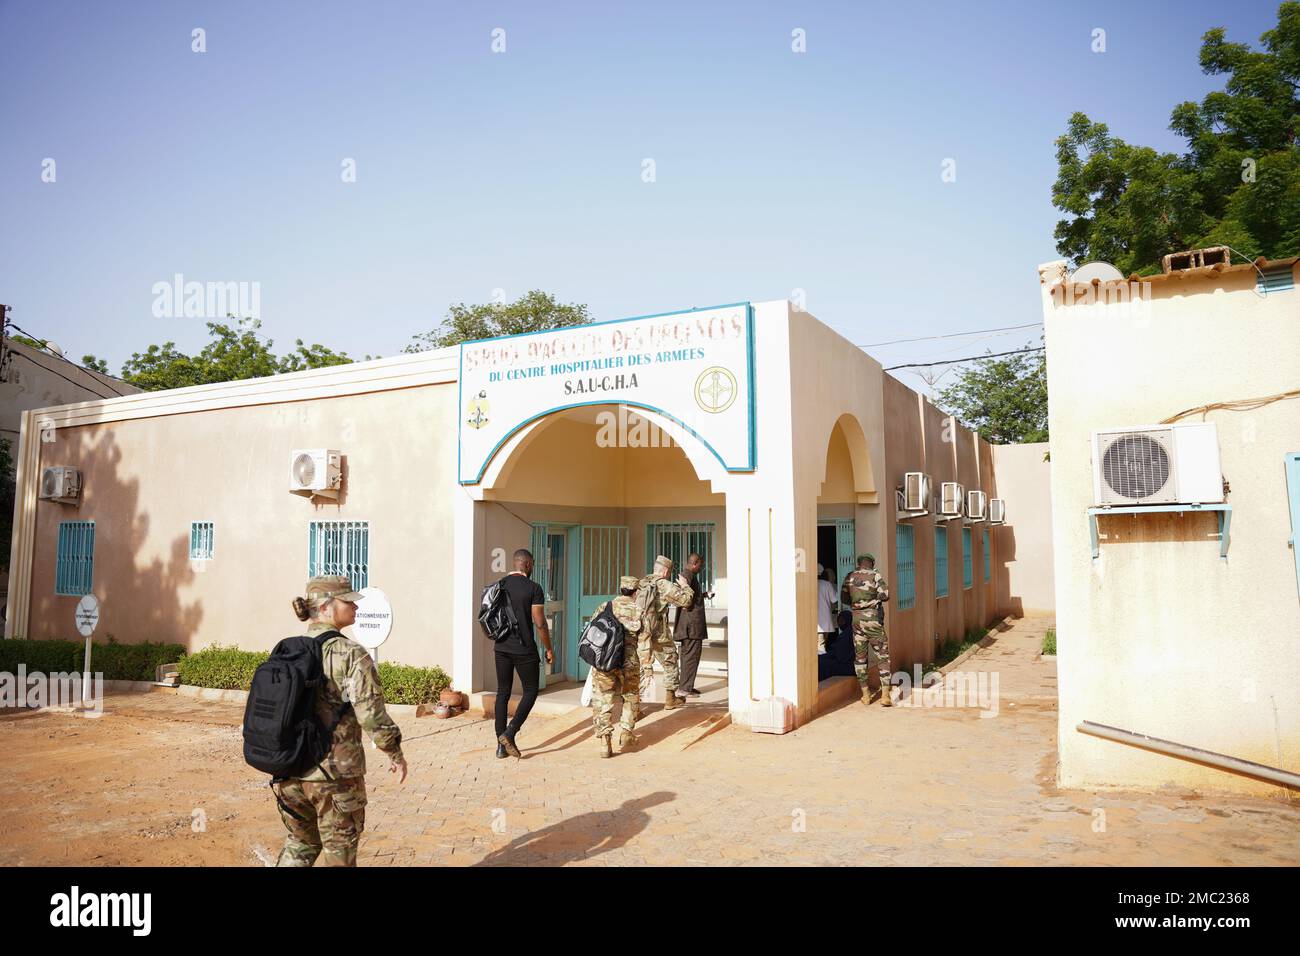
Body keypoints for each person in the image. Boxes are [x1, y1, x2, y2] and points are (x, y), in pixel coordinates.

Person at [272, 576, 407, 867]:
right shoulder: (351, 654)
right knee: (339, 856)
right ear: (325, 607)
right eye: (348, 601)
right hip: (334, 778)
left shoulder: (289, 650)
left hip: (289, 773)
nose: (356, 607)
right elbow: (371, 715)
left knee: (301, 843)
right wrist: (394, 753)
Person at [494, 548, 555, 758]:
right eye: (532, 564)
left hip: (501, 647)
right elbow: (540, 623)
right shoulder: (533, 588)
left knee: (503, 693)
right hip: (524, 648)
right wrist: (549, 648)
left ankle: (500, 747)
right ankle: (510, 733)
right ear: (528, 564)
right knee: (530, 691)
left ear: (515, 563)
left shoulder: (500, 585)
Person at [589, 575, 645, 758]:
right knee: (631, 695)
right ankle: (626, 732)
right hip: (629, 661)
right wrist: (648, 665)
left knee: (603, 698)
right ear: (635, 592)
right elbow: (645, 639)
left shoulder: (605, 606)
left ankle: (605, 742)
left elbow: (593, 631)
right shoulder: (639, 611)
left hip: (605, 660)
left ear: (621, 589)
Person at [635, 554, 694, 710]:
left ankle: (634, 705)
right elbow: (686, 600)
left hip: (641, 633)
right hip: (658, 634)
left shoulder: (642, 582)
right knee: (670, 661)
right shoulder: (663, 584)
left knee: (641, 665)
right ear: (666, 571)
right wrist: (685, 586)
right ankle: (670, 699)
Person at [841, 553, 892, 707]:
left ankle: (865, 695)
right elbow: (885, 595)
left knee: (860, 658)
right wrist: (873, 599)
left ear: (859, 563)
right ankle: (885, 695)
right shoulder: (875, 575)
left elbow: (844, 599)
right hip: (873, 621)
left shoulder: (849, 576)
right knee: (882, 656)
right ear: (871, 563)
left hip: (856, 621)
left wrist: (858, 603)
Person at [673, 552, 712, 699]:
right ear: (694, 563)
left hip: (690, 626)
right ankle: (684, 689)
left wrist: (703, 595)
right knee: (691, 657)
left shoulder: (689, 576)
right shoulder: (687, 575)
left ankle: (686, 686)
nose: (701, 568)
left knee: (689, 657)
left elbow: (691, 596)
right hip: (691, 627)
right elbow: (685, 599)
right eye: (700, 565)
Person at [816, 564, 838, 657]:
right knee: (821, 646)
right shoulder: (827, 584)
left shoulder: (807, 583)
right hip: (824, 620)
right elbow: (834, 599)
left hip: (811, 620)